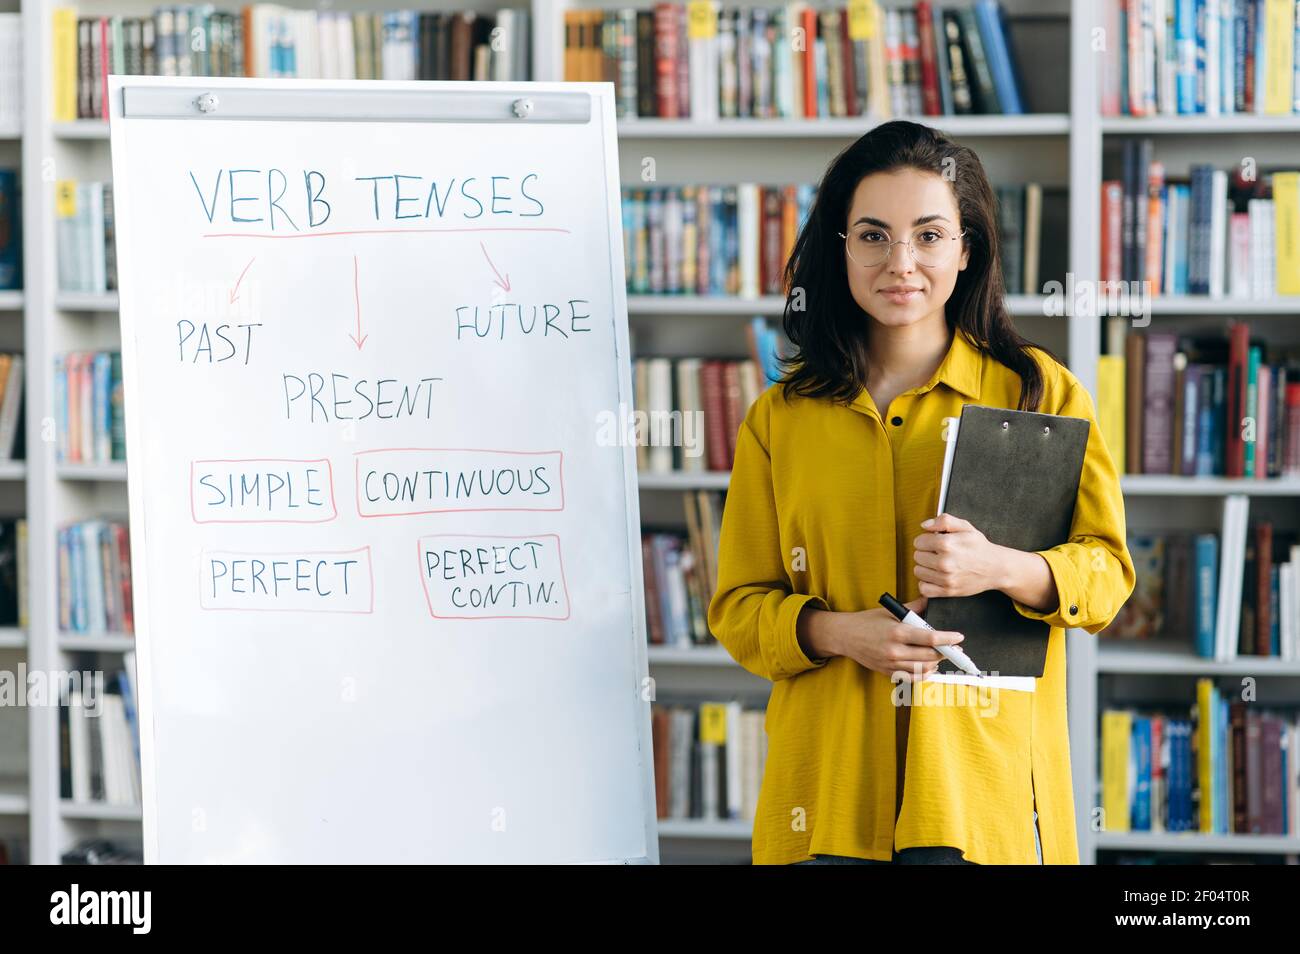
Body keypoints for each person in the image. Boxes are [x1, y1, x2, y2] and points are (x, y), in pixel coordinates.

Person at [706, 120, 1136, 865]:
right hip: (829, 795)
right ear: (839, 248)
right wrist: (840, 634)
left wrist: (1000, 567)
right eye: (872, 235)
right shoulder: (781, 418)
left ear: (966, 249)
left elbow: (1106, 576)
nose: (900, 263)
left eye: (929, 235)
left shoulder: (1042, 394)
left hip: (981, 795)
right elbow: (739, 610)